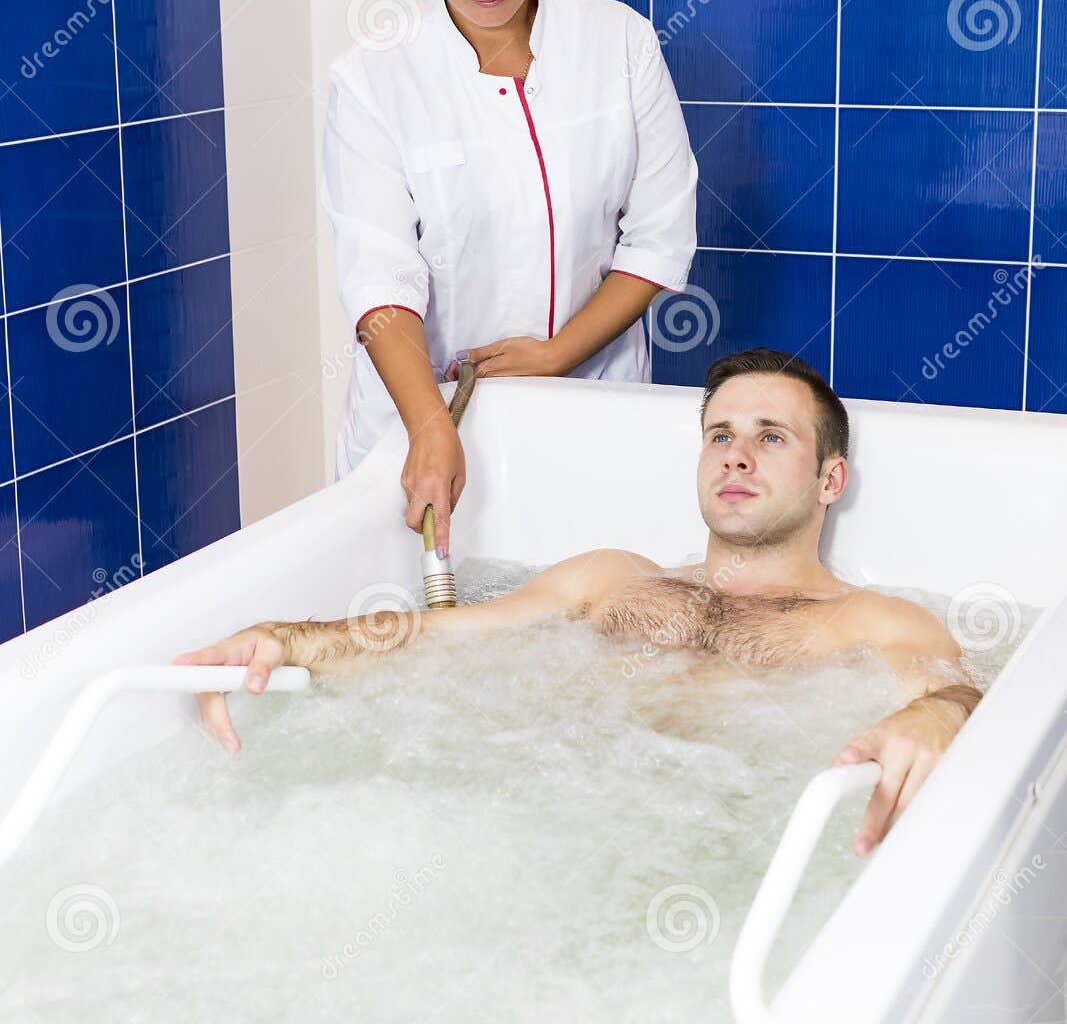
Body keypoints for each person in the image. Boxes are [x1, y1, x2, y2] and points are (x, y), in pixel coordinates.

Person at [176, 349, 983, 858]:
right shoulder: (610, 578)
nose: (735, 455)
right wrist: (288, 638)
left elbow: (958, 697)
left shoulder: (871, 621)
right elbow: (443, 636)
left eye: (771, 437)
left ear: (829, 480)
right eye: (719, 435)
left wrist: (938, 714)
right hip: (532, 816)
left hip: (716, 844)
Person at [323, 0, 698, 554]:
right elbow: (378, 279)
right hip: (425, 422)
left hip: (594, 402)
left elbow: (658, 237)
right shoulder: (372, 77)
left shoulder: (617, 41)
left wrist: (560, 353)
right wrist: (431, 425)